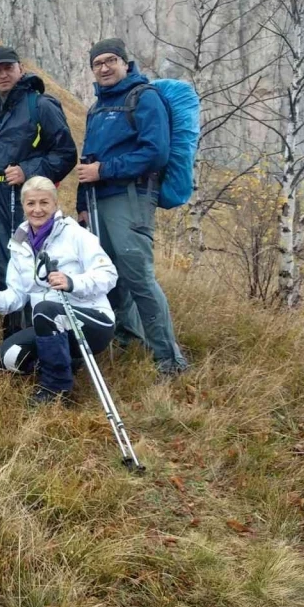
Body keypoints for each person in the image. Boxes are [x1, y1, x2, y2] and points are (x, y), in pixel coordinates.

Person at [77, 38, 188, 376]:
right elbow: (89, 159)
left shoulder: (144, 98)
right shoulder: (97, 108)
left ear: (126, 63)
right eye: (98, 64)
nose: (105, 68)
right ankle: (129, 341)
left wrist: (104, 171)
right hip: (99, 201)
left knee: (138, 276)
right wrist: (82, 203)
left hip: (131, 197)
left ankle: (170, 360)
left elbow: (156, 153)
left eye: (111, 61)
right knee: (111, 277)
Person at [0, 45, 78, 338]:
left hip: (23, 202)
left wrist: (27, 170)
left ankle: (31, 338)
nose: (3, 74)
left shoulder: (41, 105)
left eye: (8, 68)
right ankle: (10, 339)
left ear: (20, 68)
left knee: (25, 265)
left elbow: (66, 153)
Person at [0, 177, 118, 403]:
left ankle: (56, 390)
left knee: (45, 309)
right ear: (23, 206)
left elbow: (109, 274)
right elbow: (15, 297)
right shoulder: (19, 242)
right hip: (51, 325)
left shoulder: (76, 235)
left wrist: (72, 282)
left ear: (55, 204)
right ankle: (65, 362)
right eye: (31, 203)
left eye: (44, 203)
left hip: (93, 322)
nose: (37, 210)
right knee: (5, 358)